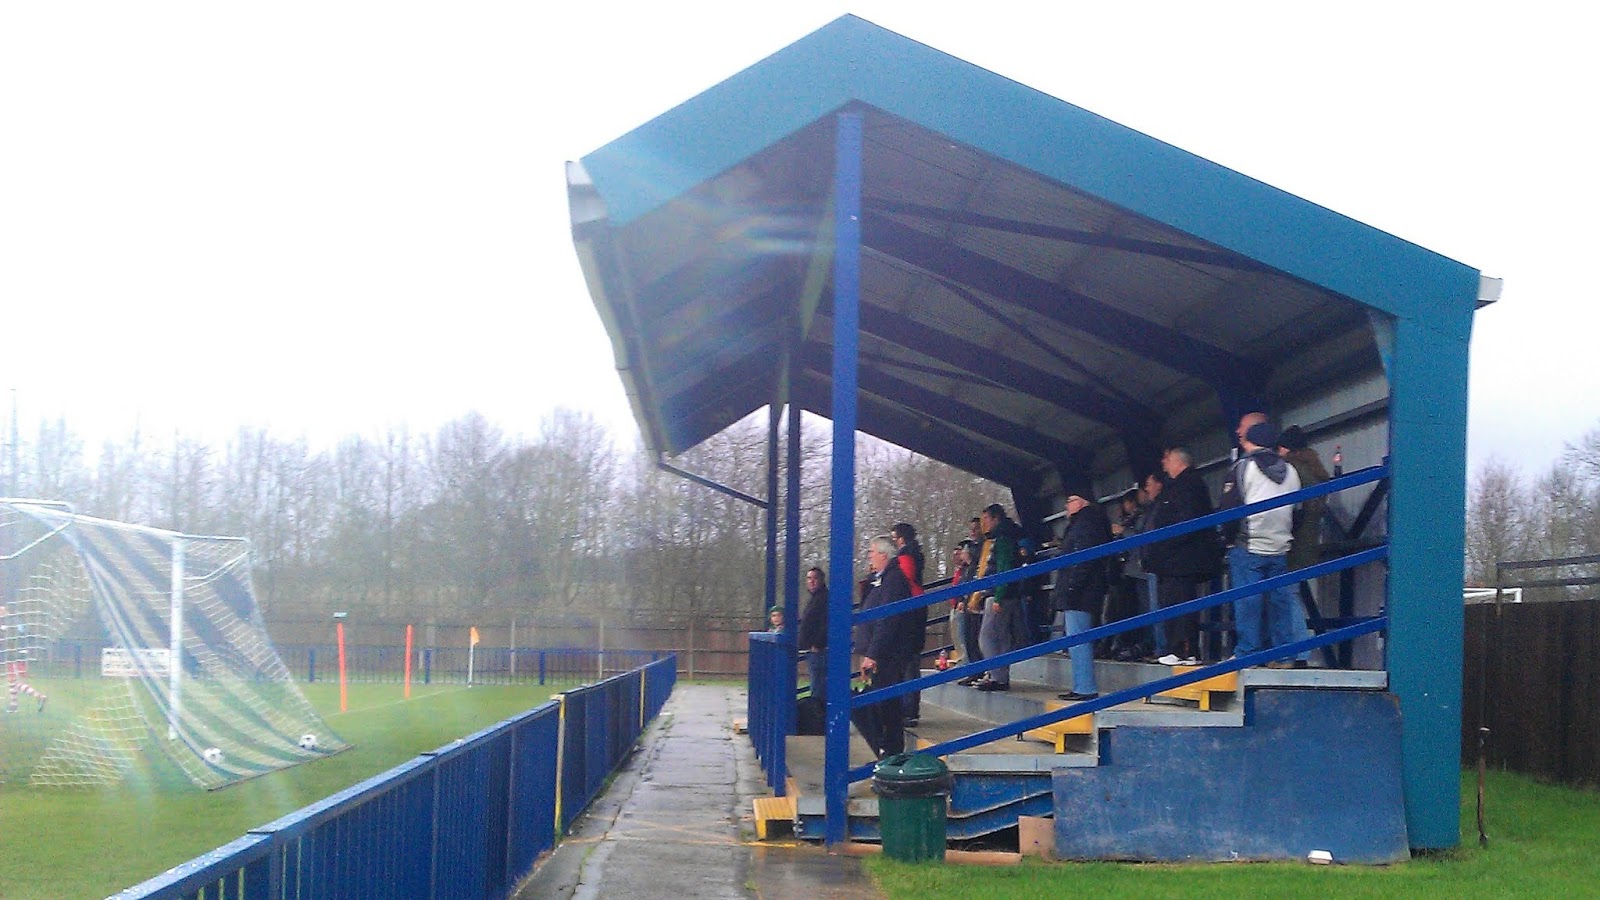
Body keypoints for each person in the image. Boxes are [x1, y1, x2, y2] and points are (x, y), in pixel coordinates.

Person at [1219, 420, 1305, 667]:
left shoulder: (1243, 468)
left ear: (1250, 442)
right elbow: (1298, 510)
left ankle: (1248, 653)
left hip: (1249, 545)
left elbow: (1229, 508)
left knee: (1248, 601)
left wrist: (1227, 540)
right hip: (1280, 545)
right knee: (1280, 602)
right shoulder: (1291, 471)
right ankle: (1284, 653)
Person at [1145, 447, 1222, 665]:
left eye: (1167, 458)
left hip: (1182, 559)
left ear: (1179, 461)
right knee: (1171, 603)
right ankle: (1177, 648)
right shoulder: (1177, 486)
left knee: (1181, 602)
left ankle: (1185, 650)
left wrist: (1166, 544)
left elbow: (1187, 521)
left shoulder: (1189, 485)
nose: (1164, 463)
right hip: (1172, 560)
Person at [851, 535, 922, 758]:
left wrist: (873, 654)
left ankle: (891, 754)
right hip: (881, 654)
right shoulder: (880, 579)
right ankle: (886, 751)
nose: (869, 556)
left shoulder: (893, 580)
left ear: (883, 554)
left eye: (872, 552)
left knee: (887, 707)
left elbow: (888, 620)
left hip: (888, 656)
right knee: (880, 706)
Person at [1053, 486, 1111, 701]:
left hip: (1081, 592)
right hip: (1082, 589)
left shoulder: (1086, 525)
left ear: (1083, 501)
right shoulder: (1086, 523)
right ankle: (1080, 684)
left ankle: (1085, 686)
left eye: (1071, 499)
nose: (1067, 505)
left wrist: (1071, 587)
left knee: (1079, 640)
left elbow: (1084, 560)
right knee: (1076, 640)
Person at [974, 504, 1025, 691]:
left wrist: (997, 596)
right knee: (1002, 636)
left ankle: (997, 676)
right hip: (1006, 594)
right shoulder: (1007, 537)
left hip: (999, 594)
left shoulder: (1002, 539)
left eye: (986, 519)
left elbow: (1003, 568)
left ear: (996, 519)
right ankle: (1001, 676)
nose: (983, 524)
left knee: (986, 637)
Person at [890, 523, 927, 725]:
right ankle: (908, 709)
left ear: (902, 538)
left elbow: (905, 582)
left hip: (910, 616)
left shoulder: (906, 557)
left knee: (909, 664)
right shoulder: (913, 554)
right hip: (913, 614)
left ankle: (909, 710)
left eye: (895, 538)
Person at [1, 603, 47, 714]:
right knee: (12, 681)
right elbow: (26, 634)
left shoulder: (8, 623)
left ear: (7, 611)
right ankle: (14, 706)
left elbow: (13, 637)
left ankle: (39, 697)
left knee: (14, 682)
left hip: (15, 655)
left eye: (1, 611)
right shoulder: (16, 621)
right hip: (17, 654)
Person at [797, 567, 829, 702]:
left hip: (819, 651)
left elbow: (826, 623)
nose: (811, 582)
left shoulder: (824, 598)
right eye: (809, 578)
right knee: (816, 685)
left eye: (814, 578)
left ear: (821, 580)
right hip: (812, 650)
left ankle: (818, 717)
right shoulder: (815, 598)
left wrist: (817, 644)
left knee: (818, 688)